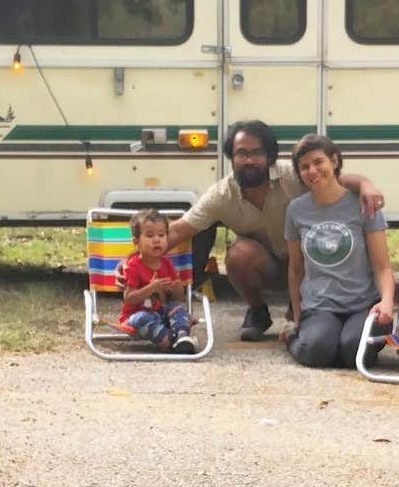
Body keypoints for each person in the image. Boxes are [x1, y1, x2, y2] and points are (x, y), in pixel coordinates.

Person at [166, 120, 384, 341]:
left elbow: (337, 181)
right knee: (238, 254)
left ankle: (299, 310)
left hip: (307, 266)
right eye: (241, 153)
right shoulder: (222, 195)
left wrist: (366, 184)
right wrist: (137, 253)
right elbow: (178, 231)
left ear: (270, 156)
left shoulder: (293, 176)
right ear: (231, 157)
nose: (249, 160)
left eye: (257, 152)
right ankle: (258, 312)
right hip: (267, 267)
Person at [281, 134, 395, 368]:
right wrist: (297, 315)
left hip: (363, 304)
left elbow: (382, 266)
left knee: (354, 349)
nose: (312, 170)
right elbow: (295, 269)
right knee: (316, 350)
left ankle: (344, 342)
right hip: (320, 305)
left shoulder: (363, 203)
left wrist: (386, 302)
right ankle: (293, 338)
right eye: (304, 167)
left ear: (334, 161)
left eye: (318, 162)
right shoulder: (296, 210)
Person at [119, 209, 197, 354]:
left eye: (161, 235)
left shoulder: (167, 264)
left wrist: (176, 288)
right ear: (137, 242)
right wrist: (152, 287)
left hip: (160, 314)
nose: (157, 239)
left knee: (177, 307)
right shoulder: (133, 266)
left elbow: (178, 297)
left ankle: (182, 337)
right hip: (135, 317)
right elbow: (129, 299)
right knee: (143, 318)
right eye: (150, 235)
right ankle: (170, 341)